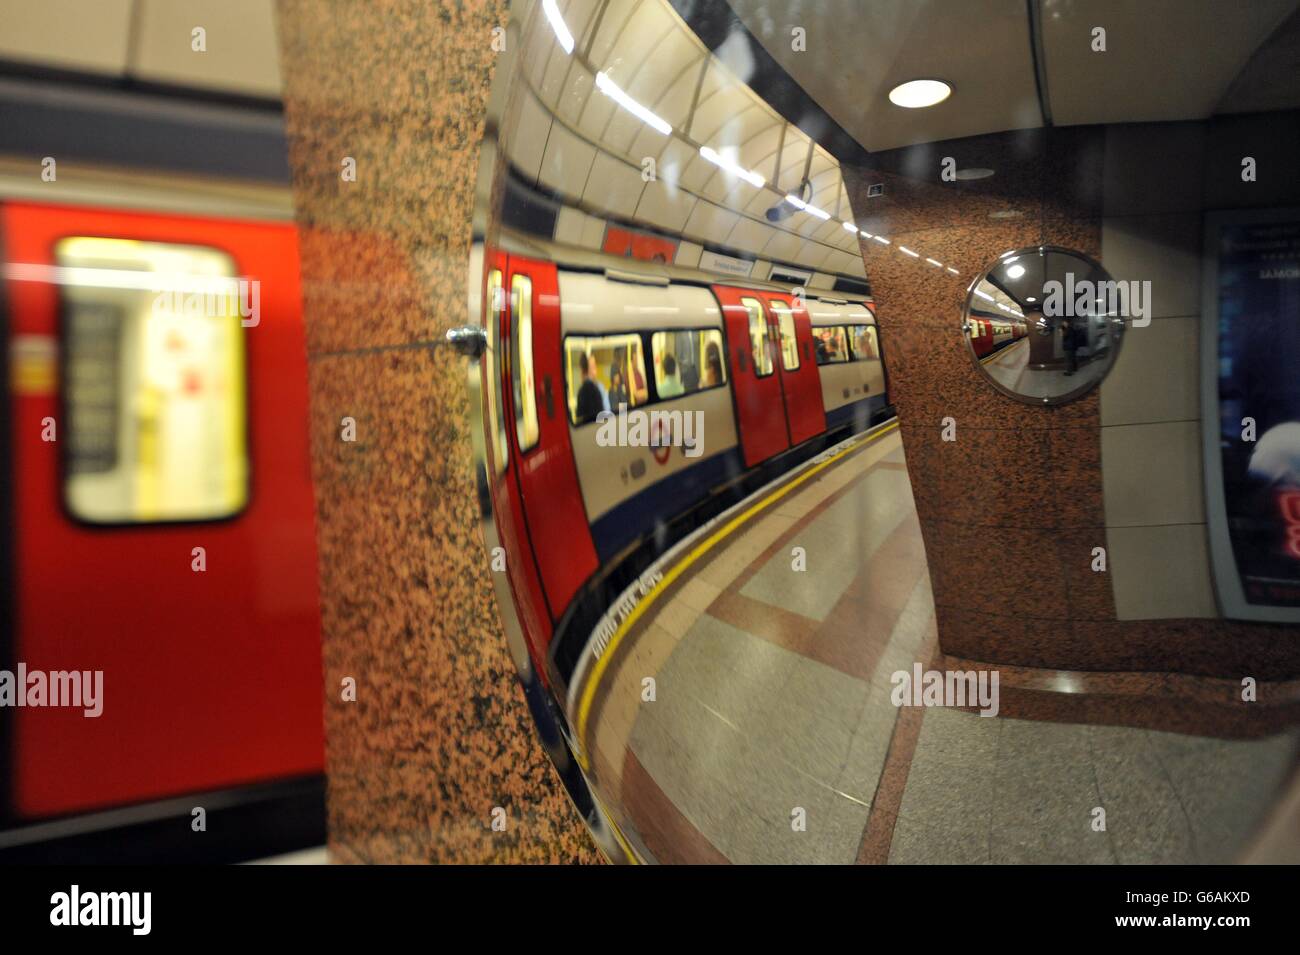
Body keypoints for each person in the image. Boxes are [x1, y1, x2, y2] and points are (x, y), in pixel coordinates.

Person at [574, 352, 607, 422]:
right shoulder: (596, 389)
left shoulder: (584, 391)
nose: (595, 369)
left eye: (594, 366)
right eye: (593, 366)